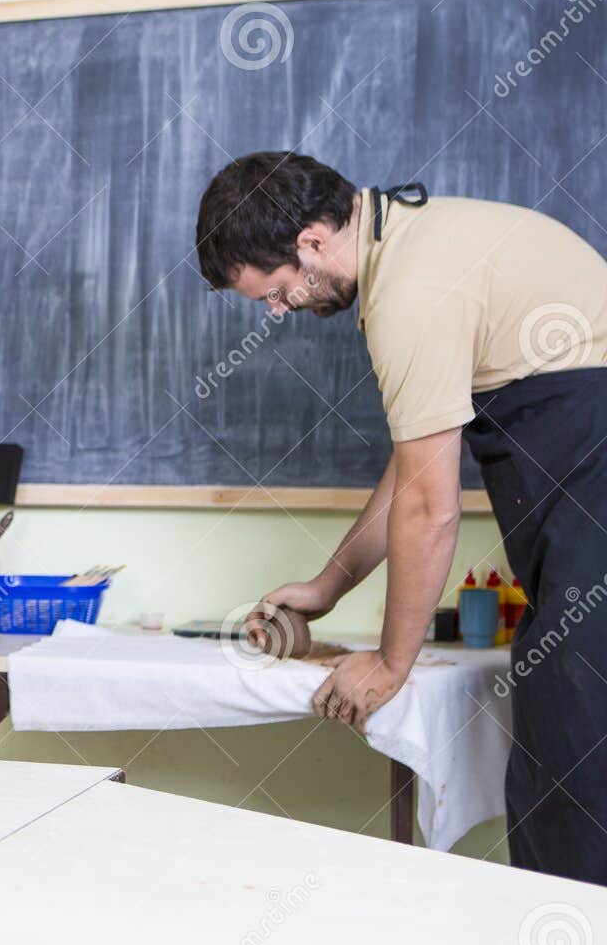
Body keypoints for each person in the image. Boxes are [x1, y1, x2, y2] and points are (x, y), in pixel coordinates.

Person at [195, 150, 607, 886]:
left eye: (277, 291)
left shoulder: (411, 290)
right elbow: (416, 465)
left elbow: (429, 506)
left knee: (574, 764)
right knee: (562, 754)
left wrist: (390, 666)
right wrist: (329, 585)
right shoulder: (413, 242)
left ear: (312, 243)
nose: (277, 312)